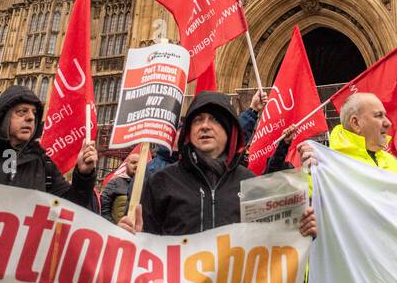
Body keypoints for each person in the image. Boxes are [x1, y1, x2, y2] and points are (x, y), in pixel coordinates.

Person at [119, 91, 316, 238]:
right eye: (198, 120)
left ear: (229, 131)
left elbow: (268, 242)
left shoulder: (249, 183)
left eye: (214, 120)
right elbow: (145, 242)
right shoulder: (162, 181)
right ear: (189, 131)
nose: (205, 125)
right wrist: (133, 237)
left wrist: (300, 232)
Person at [0, 85, 98, 206]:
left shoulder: (43, 164)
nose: (31, 118)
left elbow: (70, 207)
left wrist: (83, 175)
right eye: (22, 112)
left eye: (34, 113)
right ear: (3, 117)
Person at [100, 148, 140, 224]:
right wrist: (113, 228)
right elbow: (104, 210)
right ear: (126, 165)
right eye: (133, 162)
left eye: (140, 163)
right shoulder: (114, 183)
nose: (137, 165)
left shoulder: (146, 186)